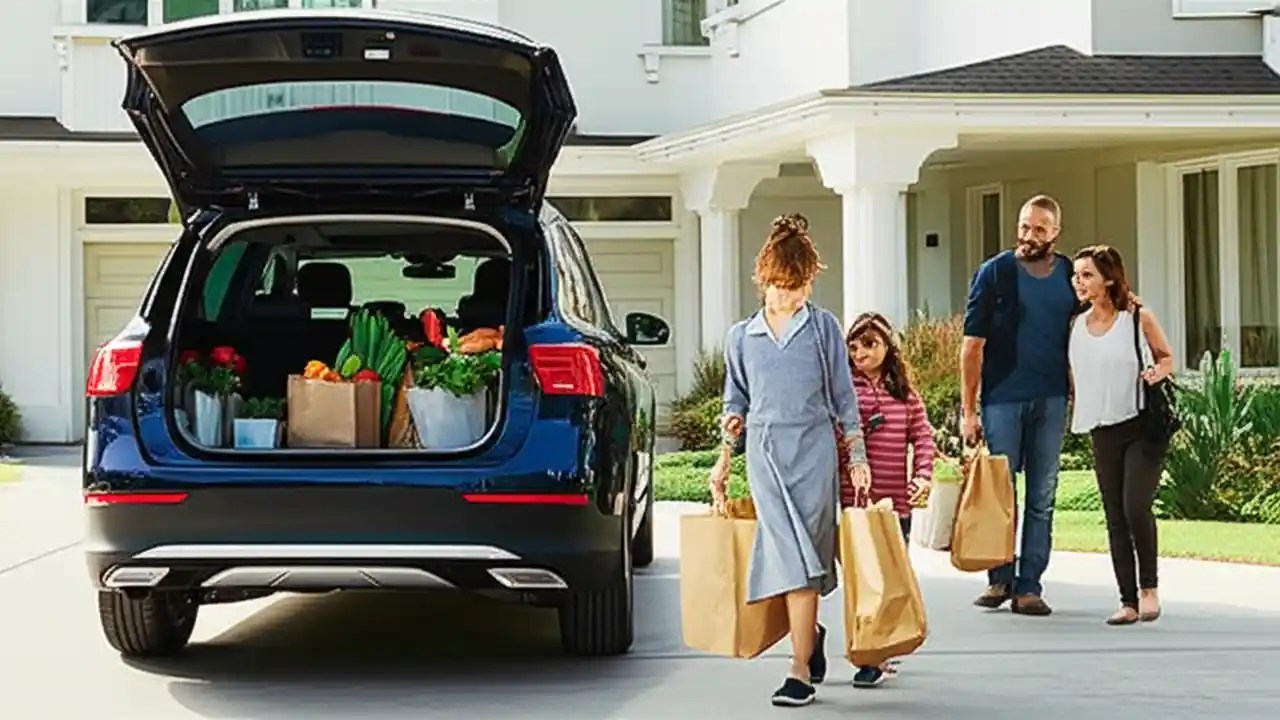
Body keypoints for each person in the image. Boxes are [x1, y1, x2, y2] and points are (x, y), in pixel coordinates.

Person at [709, 213, 870, 708]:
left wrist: (857, 454)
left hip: (814, 455)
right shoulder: (742, 336)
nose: (792, 296)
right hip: (765, 456)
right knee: (788, 562)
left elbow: (843, 397)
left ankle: (806, 647)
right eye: (783, 287)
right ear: (764, 280)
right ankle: (801, 662)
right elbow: (735, 399)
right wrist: (724, 455)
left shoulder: (823, 329)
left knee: (807, 562)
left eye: (800, 286)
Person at [960, 194, 1080, 616]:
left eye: (1040, 229)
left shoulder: (1068, 275)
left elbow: (1087, 326)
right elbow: (972, 346)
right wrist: (968, 411)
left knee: (1042, 495)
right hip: (1002, 398)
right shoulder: (995, 272)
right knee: (1000, 494)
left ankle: (1029, 585)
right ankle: (1000, 578)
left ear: (1055, 232)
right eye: (1025, 226)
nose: (1030, 235)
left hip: (1052, 397)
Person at [1067, 245, 1174, 625]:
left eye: (1087, 275)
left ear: (1109, 279)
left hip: (1142, 425)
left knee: (1134, 506)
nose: (1078, 282)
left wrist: (1157, 373)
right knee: (1114, 515)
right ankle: (1127, 601)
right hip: (1103, 429)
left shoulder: (1137, 318)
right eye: (1076, 275)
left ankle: (1149, 589)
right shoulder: (1076, 325)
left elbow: (1166, 357)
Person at [839, 311, 936, 688]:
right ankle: (871, 652)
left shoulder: (904, 394)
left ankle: (882, 646)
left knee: (891, 577)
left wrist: (922, 475)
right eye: (854, 347)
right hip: (854, 503)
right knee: (864, 578)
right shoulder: (844, 390)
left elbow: (923, 437)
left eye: (869, 344)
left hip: (895, 505)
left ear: (887, 347)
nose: (860, 353)